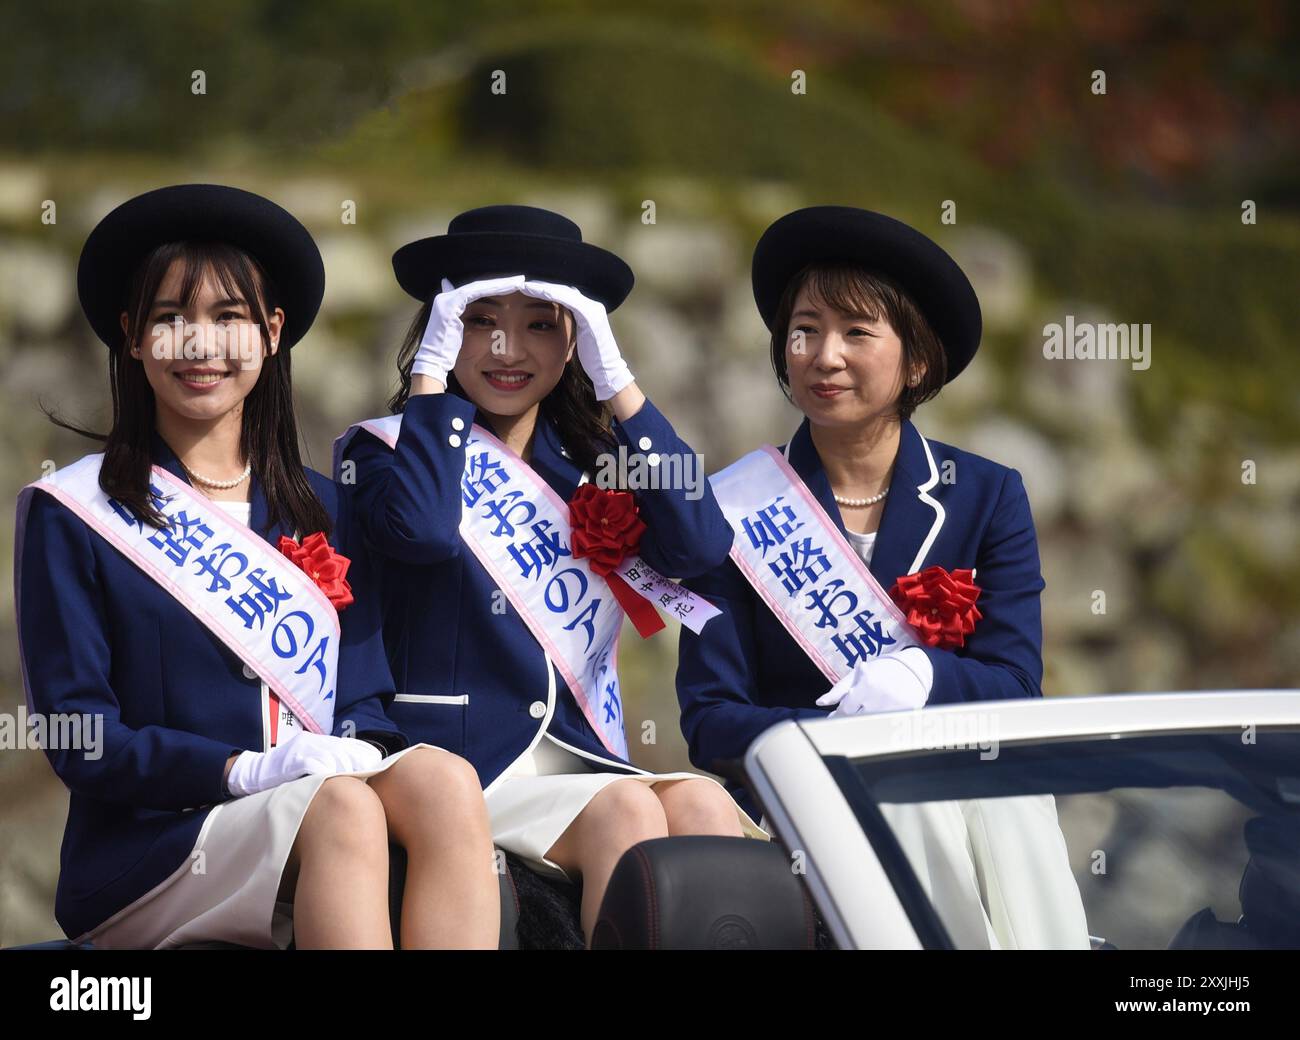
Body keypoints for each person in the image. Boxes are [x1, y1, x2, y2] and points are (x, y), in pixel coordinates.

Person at [16, 184, 499, 949]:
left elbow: (365, 698)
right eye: (171, 318)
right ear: (132, 337)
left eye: (229, 318)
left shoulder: (324, 508)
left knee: (443, 779)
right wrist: (244, 770)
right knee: (339, 806)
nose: (200, 345)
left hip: (310, 810)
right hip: (157, 849)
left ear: (272, 333)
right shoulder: (72, 512)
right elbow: (83, 738)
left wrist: (357, 748)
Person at [335, 205, 765, 943]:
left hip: (580, 751)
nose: (509, 347)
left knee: (703, 806)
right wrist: (433, 384)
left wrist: (618, 383)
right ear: (441, 326)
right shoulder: (382, 453)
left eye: (541, 323)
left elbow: (698, 546)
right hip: (458, 766)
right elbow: (427, 529)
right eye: (480, 321)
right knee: (630, 813)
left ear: (574, 340)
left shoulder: (590, 466)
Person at [675, 206, 1089, 949]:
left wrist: (920, 677)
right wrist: (833, 737)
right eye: (804, 330)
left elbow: (1016, 689)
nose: (823, 355)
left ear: (917, 362)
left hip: (958, 799)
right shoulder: (733, 506)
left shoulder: (986, 496)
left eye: (856, 332)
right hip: (801, 809)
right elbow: (710, 719)